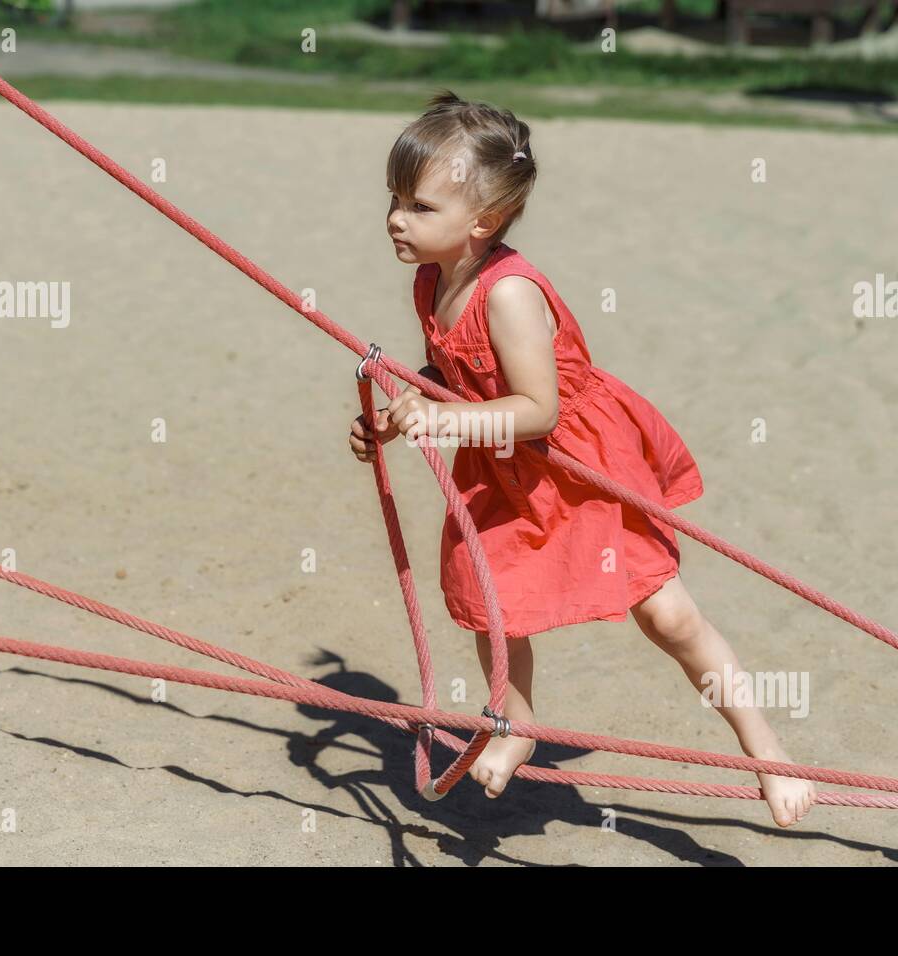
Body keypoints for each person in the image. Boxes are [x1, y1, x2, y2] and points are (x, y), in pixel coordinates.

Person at [349, 90, 816, 827]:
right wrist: (408, 413)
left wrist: (445, 418)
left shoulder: (509, 295)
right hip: (504, 466)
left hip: (575, 461)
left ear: (483, 223)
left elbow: (539, 410)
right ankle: (518, 718)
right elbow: (456, 373)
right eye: (394, 199)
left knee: (667, 616)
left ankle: (765, 749)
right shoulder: (432, 279)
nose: (395, 219)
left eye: (418, 206)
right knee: (487, 593)